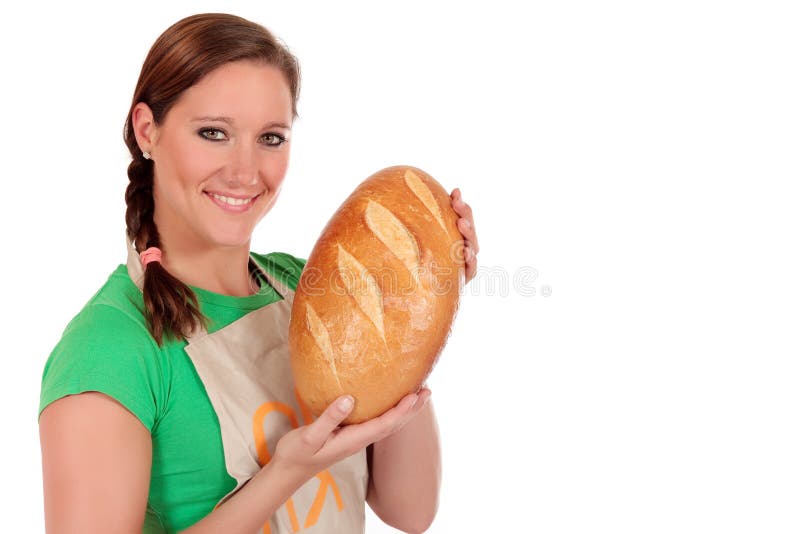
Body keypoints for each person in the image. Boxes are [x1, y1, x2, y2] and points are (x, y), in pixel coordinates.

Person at [38, 12, 480, 534]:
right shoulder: (109, 348)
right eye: (213, 133)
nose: (245, 172)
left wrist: (420, 308)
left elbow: (411, 511)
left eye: (270, 138)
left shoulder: (308, 288)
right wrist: (287, 471)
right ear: (146, 130)